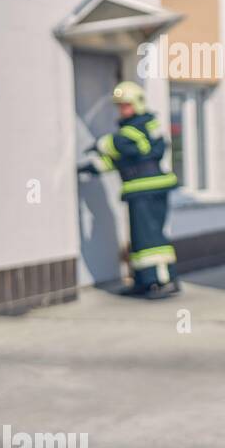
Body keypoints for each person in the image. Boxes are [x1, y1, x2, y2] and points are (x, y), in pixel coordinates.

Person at [77, 80, 181, 298]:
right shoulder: (128, 131)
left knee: (151, 237)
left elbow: (139, 148)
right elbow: (120, 160)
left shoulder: (146, 125)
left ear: (137, 103)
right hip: (137, 191)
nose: (123, 110)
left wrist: (104, 143)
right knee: (140, 239)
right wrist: (92, 167)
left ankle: (164, 281)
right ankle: (144, 280)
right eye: (120, 106)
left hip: (150, 189)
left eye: (126, 104)